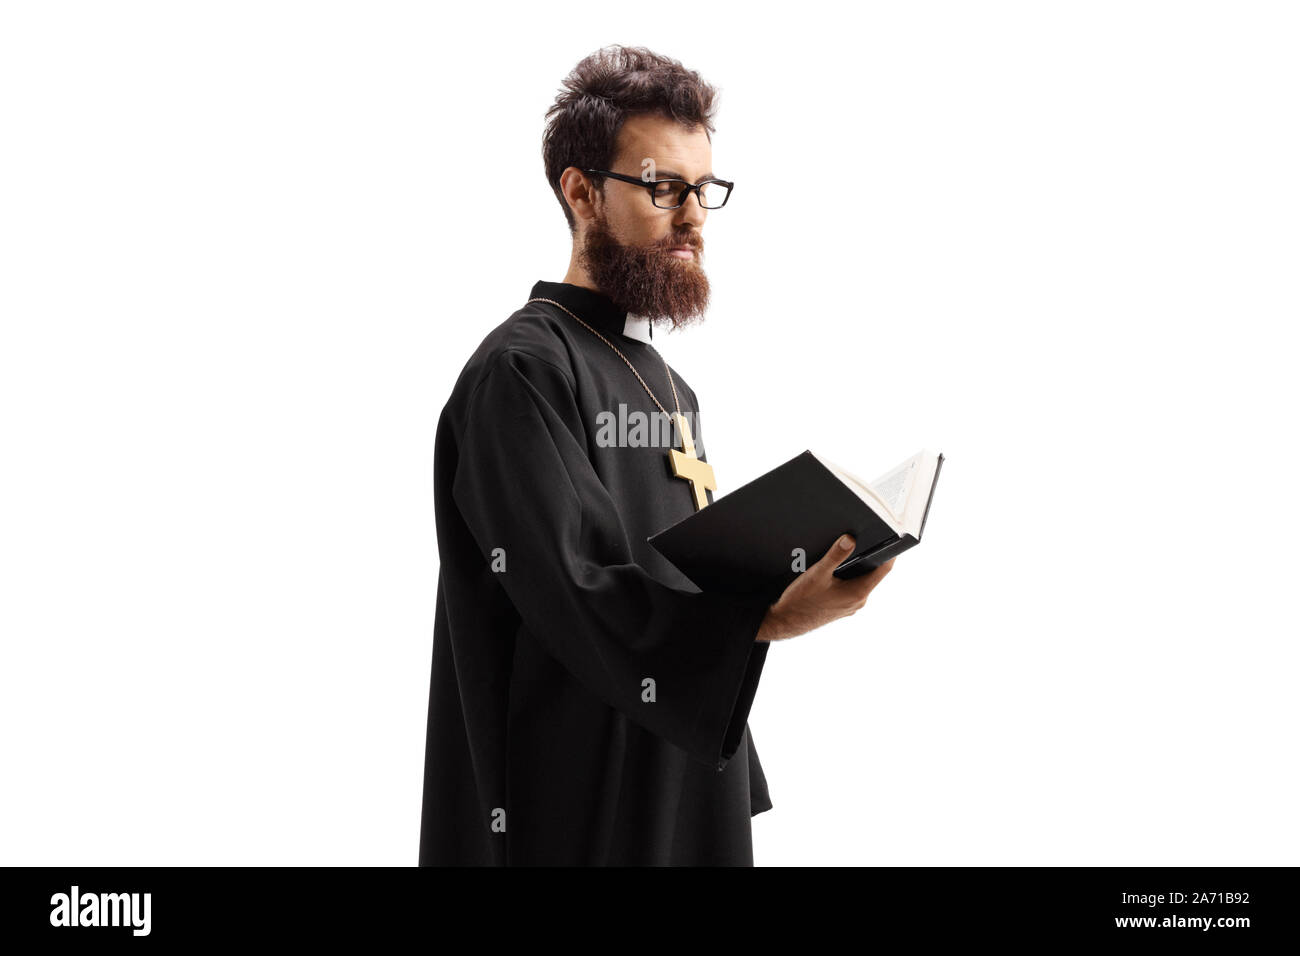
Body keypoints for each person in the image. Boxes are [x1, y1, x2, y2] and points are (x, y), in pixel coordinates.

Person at [418, 44, 896, 866]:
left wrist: (779, 572)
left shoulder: (671, 385)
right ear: (581, 192)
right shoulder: (521, 369)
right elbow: (574, 582)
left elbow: (681, 568)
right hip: (574, 800)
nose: (694, 216)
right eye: (662, 187)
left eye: (704, 189)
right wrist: (762, 620)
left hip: (680, 771)